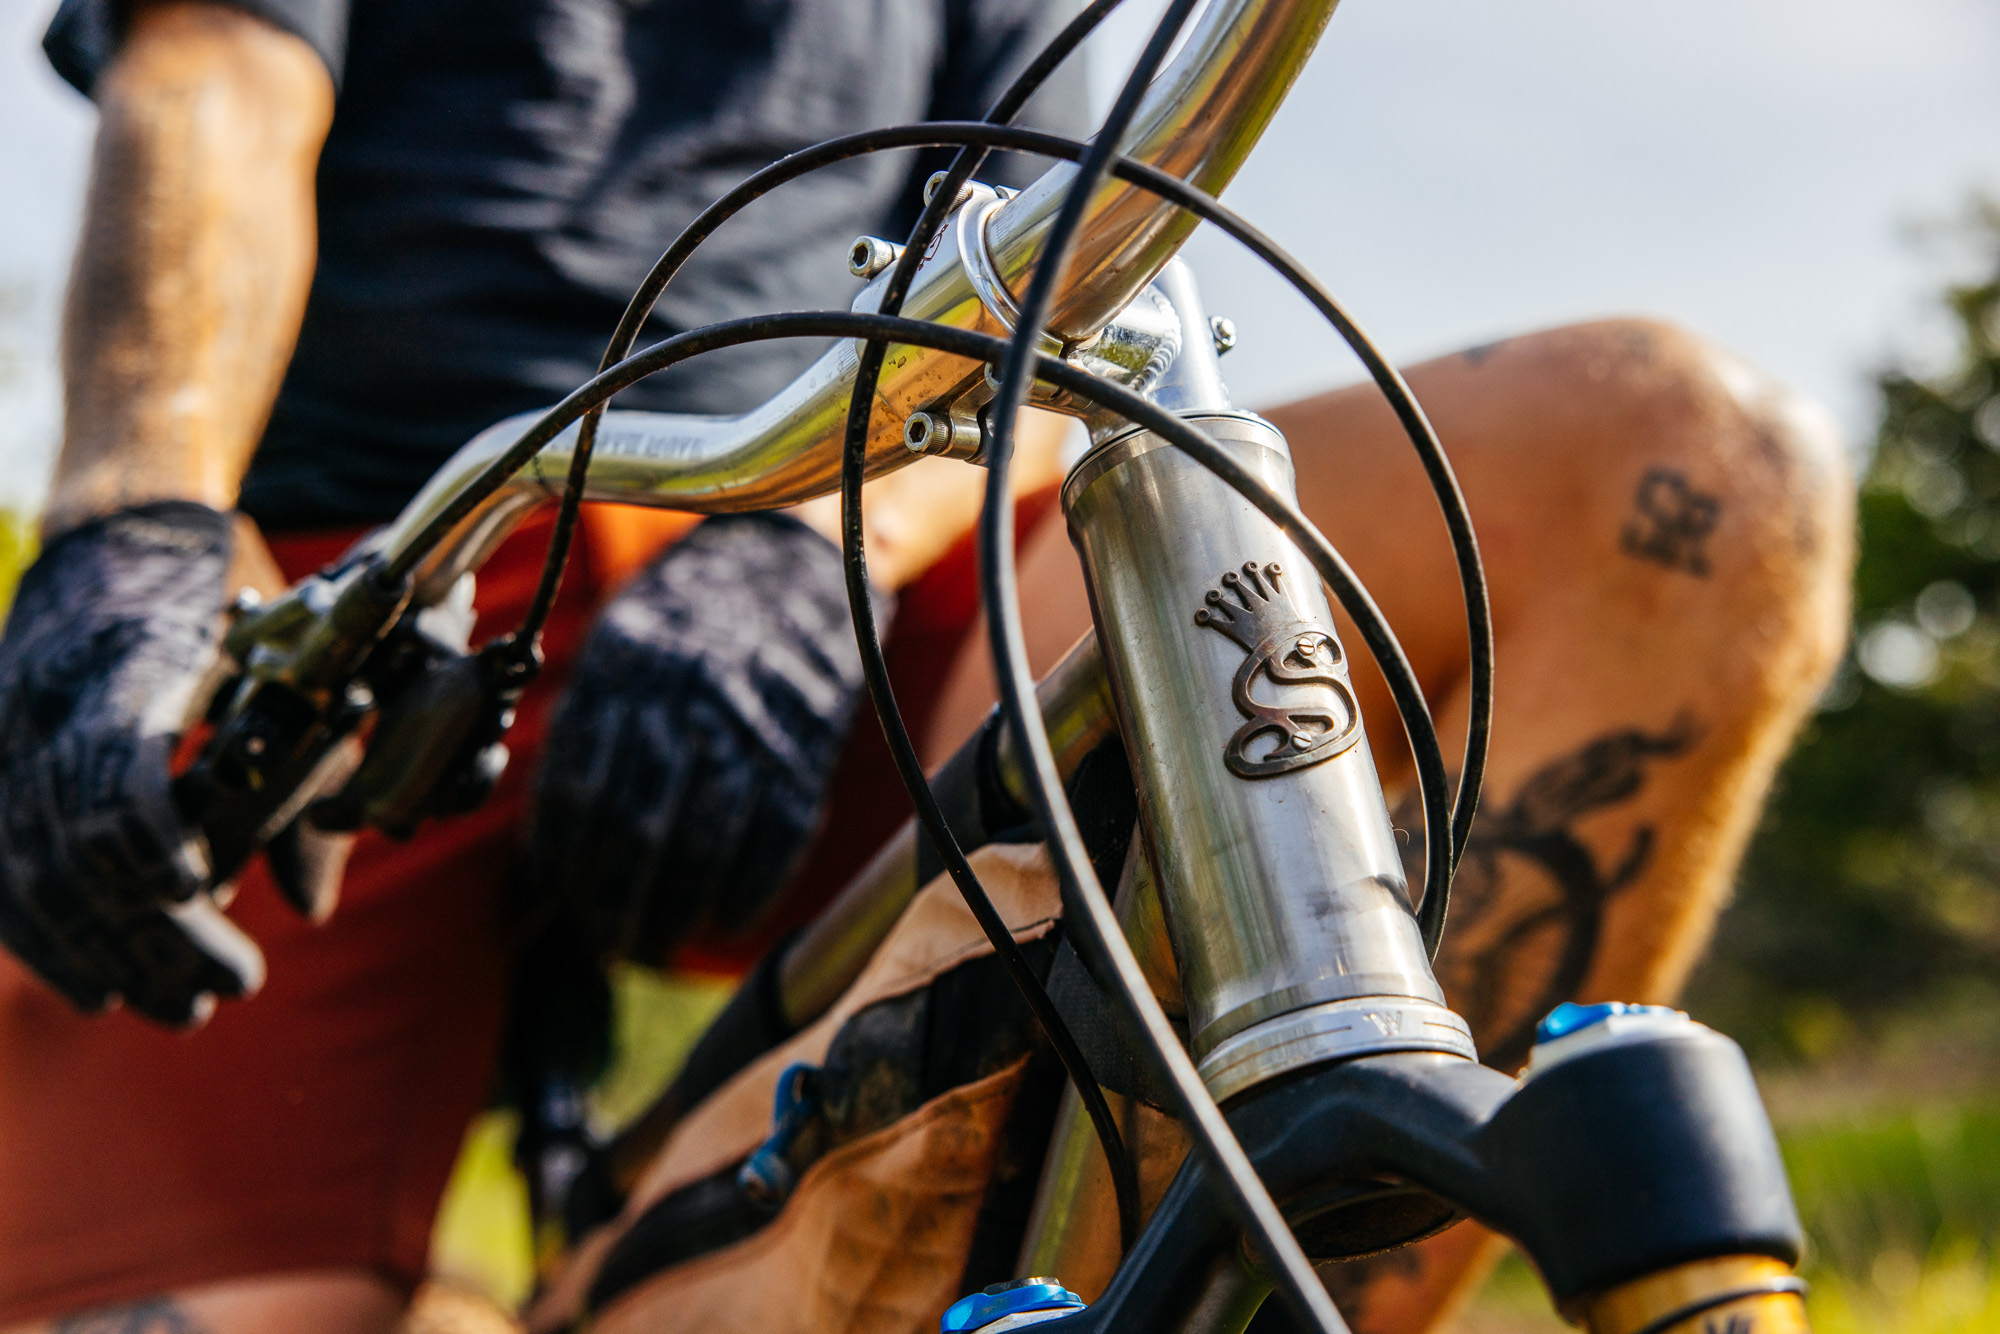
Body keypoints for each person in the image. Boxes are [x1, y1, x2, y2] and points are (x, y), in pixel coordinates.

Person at [0, 0, 1855, 1331]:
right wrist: (131, 525)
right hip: (378, 597)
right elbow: (216, 92)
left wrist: (810, 552)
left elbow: (1076, 268)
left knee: (1689, 476)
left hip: (880, 559)